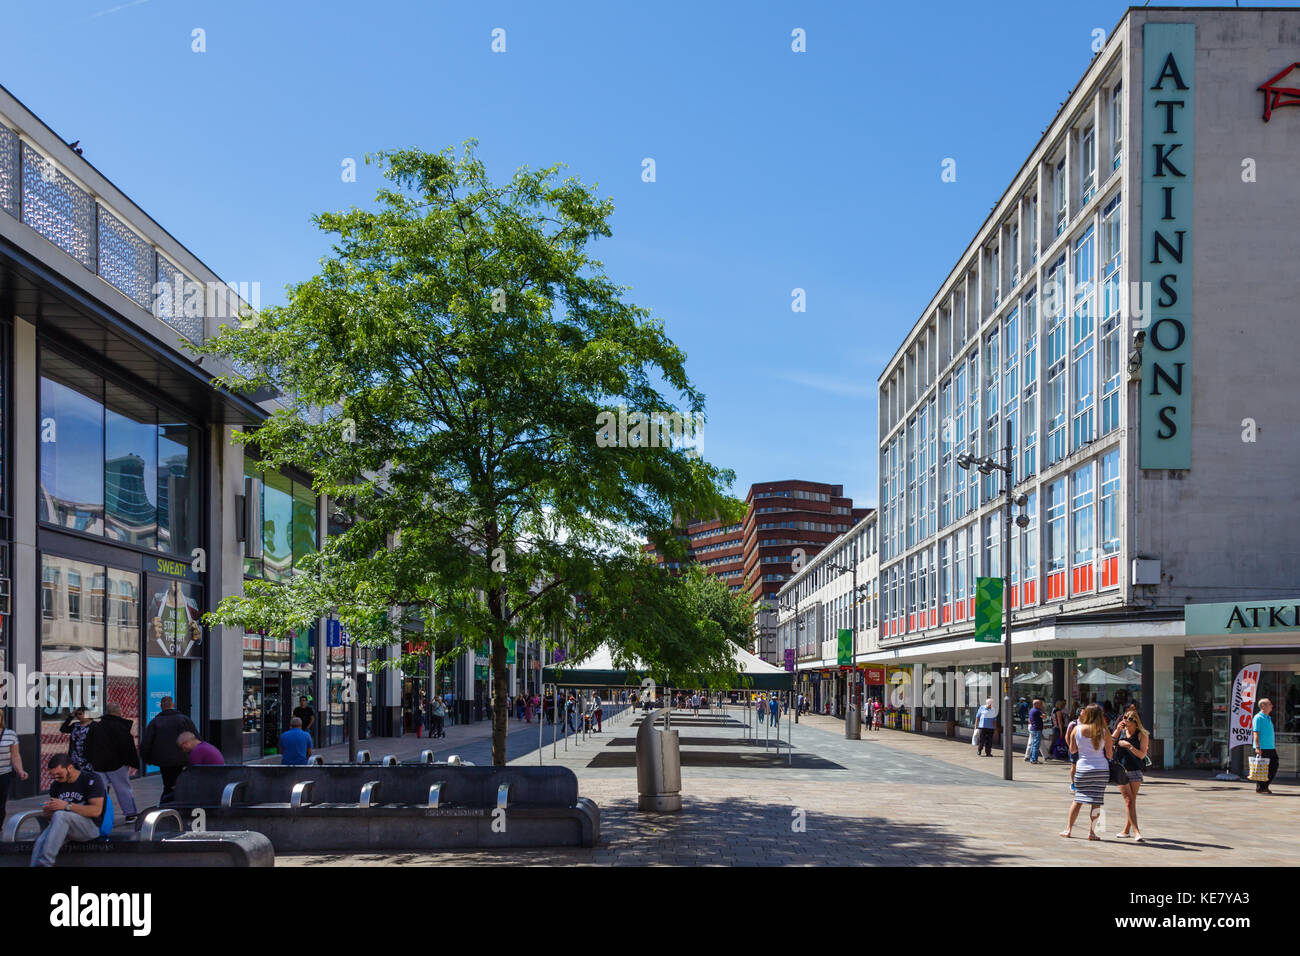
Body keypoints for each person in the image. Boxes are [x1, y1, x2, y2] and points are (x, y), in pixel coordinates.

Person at [30, 754, 108, 868]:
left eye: (59, 775)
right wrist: (49, 812)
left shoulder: (91, 779)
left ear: (70, 767)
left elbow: (96, 811)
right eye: (53, 776)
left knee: (61, 815)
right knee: (41, 841)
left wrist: (67, 806)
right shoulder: (56, 786)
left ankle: (45, 864)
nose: (56, 778)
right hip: (66, 827)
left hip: (90, 827)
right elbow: (55, 818)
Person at [1060, 703, 1113, 840]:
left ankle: (1068, 829)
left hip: (1083, 768)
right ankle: (1092, 832)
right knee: (1096, 802)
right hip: (1101, 769)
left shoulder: (1076, 729)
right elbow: (1109, 754)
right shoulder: (1104, 731)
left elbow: (1072, 750)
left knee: (1077, 800)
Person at [85, 701, 141, 823]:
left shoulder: (95, 726)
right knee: (123, 789)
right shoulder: (121, 726)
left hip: (99, 764)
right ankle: (130, 813)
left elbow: (88, 745)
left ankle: (100, 813)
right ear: (118, 712)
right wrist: (131, 761)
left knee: (100, 790)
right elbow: (127, 747)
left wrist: (91, 760)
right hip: (118, 764)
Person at [139, 697, 197, 802]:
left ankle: (167, 803)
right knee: (180, 782)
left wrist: (146, 759)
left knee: (168, 784)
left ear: (161, 706)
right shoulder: (184, 719)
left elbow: (146, 743)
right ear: (173, 705)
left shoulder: (155, 722)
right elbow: (196, 738)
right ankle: (179, 802)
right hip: (182, 759)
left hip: (164, 761)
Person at [1112, 711, 1149, 841]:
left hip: (1135, 770)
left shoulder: (1142, 735)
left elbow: (1142, 755)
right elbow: (1110, 743)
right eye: (1124, 719)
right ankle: (1136, 832)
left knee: (1131, 802)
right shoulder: (1121, 732)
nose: (1126, 722)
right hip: (1121, 770)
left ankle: (1126, 830)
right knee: (1129, 801)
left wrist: (1129, 746)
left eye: (1129, 720)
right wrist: (1117, 730)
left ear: (1135, 722)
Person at [0, 709, 29, 823]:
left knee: (1, 803)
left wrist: (20, 770)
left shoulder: (10, 734)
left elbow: (15, 756)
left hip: (4, 774)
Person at [1253, 698, 1278, 795]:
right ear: (1263, 706)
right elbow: (1256, 733)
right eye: (1269, 704)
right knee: (1261, 768)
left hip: (1270, 747)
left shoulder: (1268, 717)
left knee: (1274, 766)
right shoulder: (1258, 717)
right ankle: (1261, 787)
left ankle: (1265, 786)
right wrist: (1258, 747)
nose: (1271, 706)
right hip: (1262, 748)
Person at [59, 707, 95, 771]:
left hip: (88, 758)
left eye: (80, 714)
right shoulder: (75, 725)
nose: (78, 716)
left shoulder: (94, 725)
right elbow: (63, 729)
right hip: (74, 759)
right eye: (77, 714)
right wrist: (71, 717)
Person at [1025, 698, 1045, 764]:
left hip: (1033, 729)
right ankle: (1034, 759)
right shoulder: (1037, 711)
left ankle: (1032, 758)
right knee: (1036, 745)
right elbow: (1044, 716)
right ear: (1036, 704)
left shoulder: (1031, 710)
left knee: (1033, 744)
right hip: (1037, 729)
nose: (1041, 705)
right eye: (1040, 704)